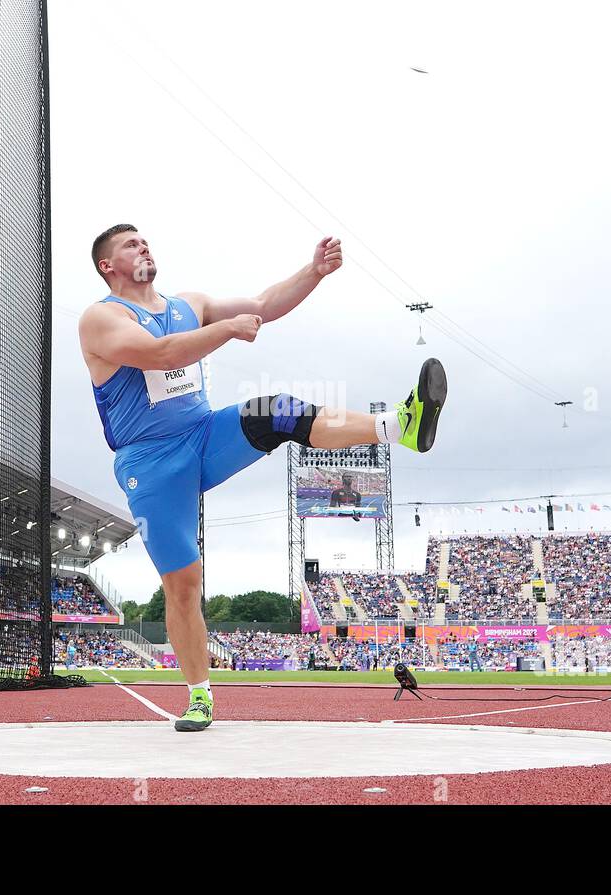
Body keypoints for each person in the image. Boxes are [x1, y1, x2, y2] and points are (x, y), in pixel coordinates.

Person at [80, 225, 447, 731]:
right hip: (150, 462)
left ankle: (398, 426)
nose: (143, 246)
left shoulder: (188, 304)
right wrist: (226, 331)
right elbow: (159, 355)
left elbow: (262, 304)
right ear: (108, 266)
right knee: (183, 584)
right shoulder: (101, 318)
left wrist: (313, 272)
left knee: (276, 412)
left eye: (145, 240)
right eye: (130, 245)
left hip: (204, 436)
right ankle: (199, 695)